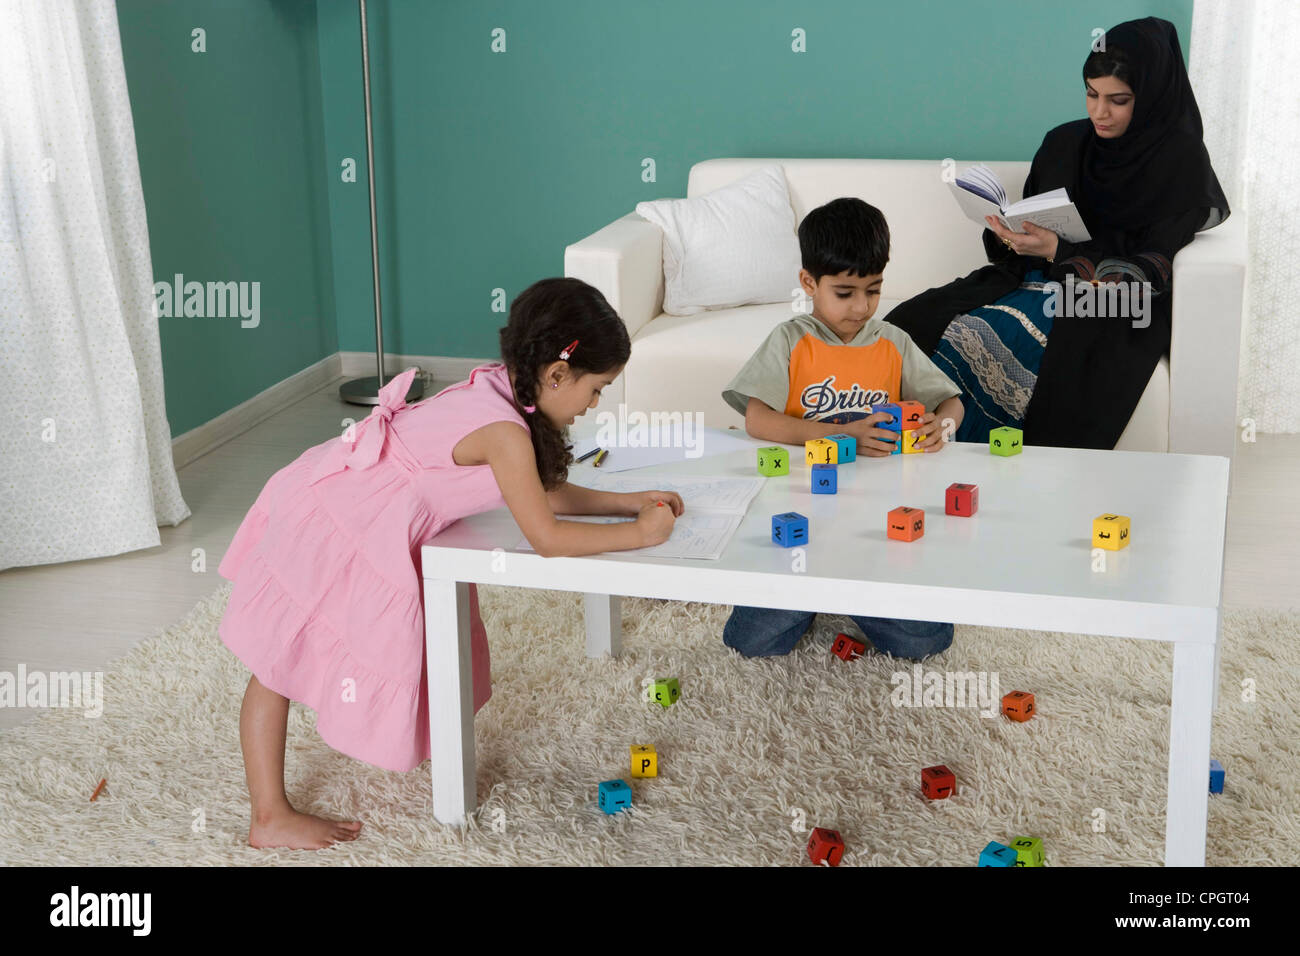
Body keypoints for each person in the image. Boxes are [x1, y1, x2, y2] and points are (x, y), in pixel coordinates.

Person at [217, 277, 683, 850]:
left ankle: (269, 810)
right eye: (597, 389)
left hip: (354, 505)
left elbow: (538, 493)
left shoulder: (505, 388)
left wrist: (626, 503)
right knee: (278, 660)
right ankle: (267, 816)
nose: (595, 404)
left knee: (287, 655)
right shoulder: (506, 432)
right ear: (558, 375)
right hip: (340, 521)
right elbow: (545, 534)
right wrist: (639, 534)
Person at [885, 16, 1229, 450]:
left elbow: (1151, 273)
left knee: (984, 335)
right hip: (1029, 280)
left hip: (1107, 305)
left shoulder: (1179, 162)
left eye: (1118, 100)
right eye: (1091, 94)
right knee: (906, 326)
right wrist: (1009, 235)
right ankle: (895, 454)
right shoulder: (1065, 143)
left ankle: (976, 469)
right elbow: (1021, 245)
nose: (1099, 112)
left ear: (1152, 96)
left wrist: (1059, 252)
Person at [719, 196, 963, 658]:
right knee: (751, 642)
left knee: (930, 640)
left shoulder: (893, 342)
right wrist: (840, 435)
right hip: (801, 508)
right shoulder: (790, 341)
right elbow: (757, 419)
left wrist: (942, 427)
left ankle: (848, 589)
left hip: (877, 517)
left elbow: (950, 402)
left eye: (873, 290)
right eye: (845, 293)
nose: (861, 307)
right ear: (809, 282)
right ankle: (814, 588)